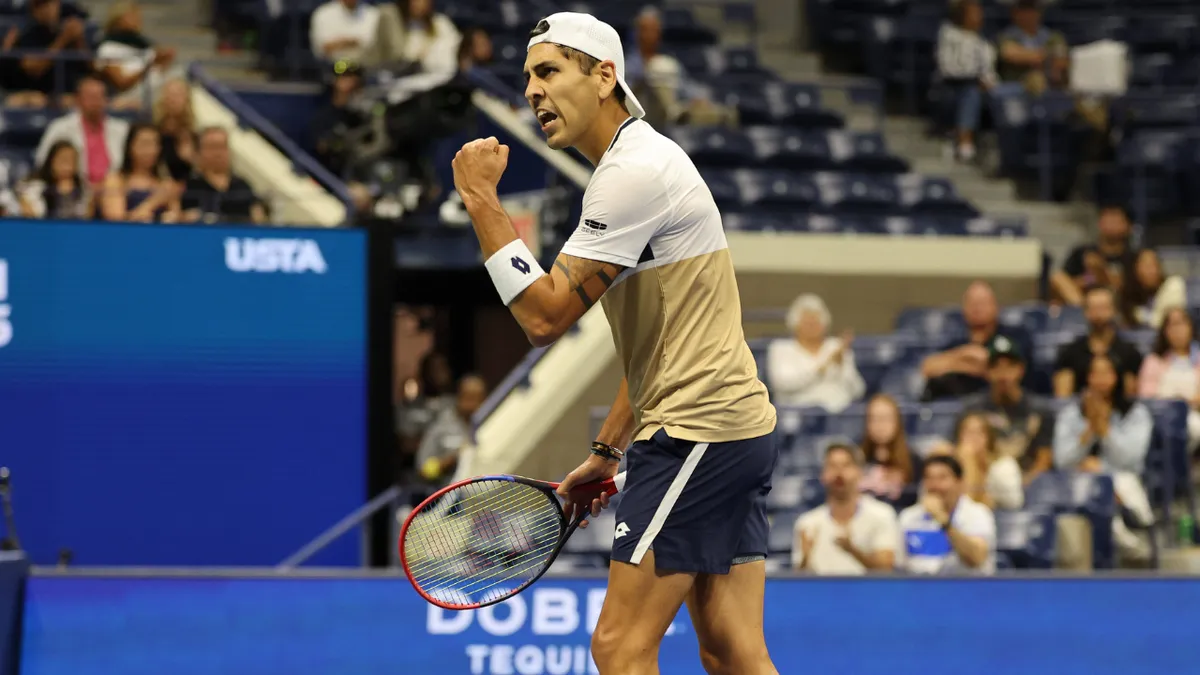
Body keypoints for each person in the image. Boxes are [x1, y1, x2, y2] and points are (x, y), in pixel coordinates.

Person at [450, 12, 778, 674]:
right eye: (527, 78)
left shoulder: (634, 172)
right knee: (731, 651)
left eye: (549, 71)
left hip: (696, 431)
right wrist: (607, 449)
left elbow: (543, 318)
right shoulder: (637, 164)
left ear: (604, 77)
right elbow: (660, 342)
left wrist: (481, 198)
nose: (532, 90)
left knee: (620, 647)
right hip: (732, 429)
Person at [1053, 353, 1155, 562]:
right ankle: (1126, 541)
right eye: (1095, 373)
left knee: (1109, 482)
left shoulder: (1136, 414)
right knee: (1092, 483)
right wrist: (1090, 431)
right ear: (1086, 378)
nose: (1100, 380)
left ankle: (1127, 534)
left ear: (1117, 377)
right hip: (1076, 485)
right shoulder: (1070, 414)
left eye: (1107, 373)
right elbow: (1061, 460)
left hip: (1123, 481)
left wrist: (1105, 431)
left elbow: (1131, 460)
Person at [960, 335, 1055, 484]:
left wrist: (1023, 485)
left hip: (1028, 483)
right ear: (987, 372)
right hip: (984, 483)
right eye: (996, 367)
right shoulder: (972, 410)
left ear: (1020, 370)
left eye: (1009, 366)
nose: (1003, 374)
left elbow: (1044, 459)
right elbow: (962, 453)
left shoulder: (1040, 410)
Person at [792, 443, 898, 575]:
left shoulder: (882, 515)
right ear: (823, 475)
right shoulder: (807, 523)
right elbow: (799, 580)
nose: (839, 473)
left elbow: (886, 571)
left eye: (846, 465)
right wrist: (805, 558)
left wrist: (852, 550)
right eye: (832, 466)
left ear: (860, 472)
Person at [921, 280, 1031, 400]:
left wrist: (959, 364)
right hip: (963, 403)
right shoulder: (957, 341)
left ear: (996, 307)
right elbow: (929, 368)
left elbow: (1013, 367)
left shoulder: (1015, 335)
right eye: (972, 304)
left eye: (982, 303)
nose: (977, 309)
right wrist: (964, 356)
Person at [895, 455, 997, 575]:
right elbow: (898, 565)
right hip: (917, 585)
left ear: (960, 483)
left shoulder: (977, 514)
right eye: (929, 478)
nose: (935, 485)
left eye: (942, 478)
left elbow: (976, 558)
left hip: (964, 585)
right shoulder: (908, 516)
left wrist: (944, 522)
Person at [766, 293, 864, 411]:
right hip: (799, 413)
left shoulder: (836, 346)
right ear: (794, 325)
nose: (812, 326)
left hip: (839, 413)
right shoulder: (781, 348)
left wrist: (842, 367)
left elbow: (858, 390)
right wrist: (820, 370)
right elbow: (781, 384)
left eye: (816, 321)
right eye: (807, 322)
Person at [35, 75, 131, 191]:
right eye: (91, 97)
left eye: (100, 97)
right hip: (76, 189)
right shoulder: (60, 128)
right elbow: (43, 161)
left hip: (114, 188)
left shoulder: (122, 129)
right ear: (78, 100)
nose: (96, 102)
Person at [1053, 286, 1144, 398]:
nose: (1098, 314)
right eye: (1093, 308)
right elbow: (1062, 398)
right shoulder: (1070, 353)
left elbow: (1131, 398)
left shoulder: (1129, 354)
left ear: (1114, 310)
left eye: (1103, 308)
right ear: (1085, 312)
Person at [935, 0, 996, 161]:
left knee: (990, 94)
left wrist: (989, 82)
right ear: (962, 16)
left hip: (977, 90)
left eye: (980, 14)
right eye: (974, 13)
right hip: (949, 88)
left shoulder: (984, 43)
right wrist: (977, 79)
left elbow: (989, 72)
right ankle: (964, 143)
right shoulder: (948, 35)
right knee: (970, 92)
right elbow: (948, 68)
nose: (979, 17)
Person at [0, 0, 90, 108]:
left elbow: (88, 68)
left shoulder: (65, 33)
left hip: (66, 94)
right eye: (44, 6)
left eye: (53, 4)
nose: (50, 9)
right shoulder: (26, 35)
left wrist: (79, 40)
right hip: (33, 93)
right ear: (34, 11)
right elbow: (34, 69)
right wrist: (63, 40)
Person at [94, 1, 178, 110]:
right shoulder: (108, 48)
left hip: (156, 90)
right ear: (118, 19)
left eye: (138, 15)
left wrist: (164, 59)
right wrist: (149, 65)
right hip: (130, 97)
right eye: (132, 15)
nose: (138, 19)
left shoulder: (142, 44)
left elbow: (160, 69)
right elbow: (122, 83)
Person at [1138, 307, 1200, 451]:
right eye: (1172, 325)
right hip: (1162, 416)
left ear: (1191, 327)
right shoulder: (1153, 361)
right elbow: (1146, 395)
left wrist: (1189, 401)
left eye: (1182, 323)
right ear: (1164, 331)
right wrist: (1173, 403)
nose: (1178, 330)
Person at [935, 412, 1024, 510]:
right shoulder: (951, 464)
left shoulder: (1004, 465)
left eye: (979, 432)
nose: (973, 438)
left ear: (989, 438)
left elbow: (1015, 502)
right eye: (968, 432)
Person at [1052, 205, 1137, 306]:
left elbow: (1126, 286)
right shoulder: (1082, 252)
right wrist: (1090, 279)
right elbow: (1064, 282)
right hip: (1081, 299)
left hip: (1118, 305)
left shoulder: (1134, 257)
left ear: (1128, 226)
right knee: (1057, 277)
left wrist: (1101, 270)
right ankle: (1085, 309)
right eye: (1107, 221)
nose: (1111, 225)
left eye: (1116, 221)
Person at [180, 127, 267, 224]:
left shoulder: (243, 187)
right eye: (212, 147)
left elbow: (258, 219)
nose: (218, 153)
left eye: (222, 147)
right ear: (200, 151)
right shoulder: (187, 187)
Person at [414, 374, 487, 487]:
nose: (473, 405)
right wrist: (451, 460)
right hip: (447, 491)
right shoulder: (441, 425)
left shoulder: (491, 424)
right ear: (459, 397)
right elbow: (423, 470)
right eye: (469, 398)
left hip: (483, 490)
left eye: (478, 399)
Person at [100, 122, 180, 222]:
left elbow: (175, 218)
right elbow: (116, 221)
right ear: (130, 146)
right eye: (145, 144)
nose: (151, 150)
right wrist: (153, 202)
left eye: (155, 144)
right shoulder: (116, 180)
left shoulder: (165, 183)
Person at [366, 0, 461, 76]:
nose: (420, 4)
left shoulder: (440, 23)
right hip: (399, 75)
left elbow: (454, 45)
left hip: (438, 74)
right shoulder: (394, 21)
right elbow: (399, 55)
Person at [996, 0, 1068, 95]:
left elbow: (1061, 60)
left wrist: (1027, 53)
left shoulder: (1053, 37)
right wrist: (1045, 55)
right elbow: (1009, 54)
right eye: (1023, 10)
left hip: (1048, 84)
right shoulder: (1006, 36)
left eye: (1032, 10)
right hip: (1015, 84)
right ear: (1015, 13)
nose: (1028, 15)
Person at [859, 393, 917, 507]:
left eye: (885, 419)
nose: (880, 425)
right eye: (874, 419)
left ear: (897, 422)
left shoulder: (913, 460)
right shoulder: (858, 458)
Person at [17, 140, 93, 219]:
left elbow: (87, 218)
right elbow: (29, 213)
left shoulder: (85, 192)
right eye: (63, 158)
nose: (67, 163)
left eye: (71, 159)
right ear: (52, 161)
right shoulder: (34, 188)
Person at [1120, 248, 1185, 330]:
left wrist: (1140, 315)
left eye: (1153, 265)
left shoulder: (1173, 285)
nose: (1150, 270)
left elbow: (1166, 322)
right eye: (1145, 266)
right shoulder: (1129, 291)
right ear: (1135, 269)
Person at [310, 0, 382, 64]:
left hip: (367, 66)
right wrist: (351, 42)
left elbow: (375, 46)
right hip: (333, 67)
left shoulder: (374, 13)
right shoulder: (322, 13)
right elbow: (323, 48)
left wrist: (343, 43)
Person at [153, 79, 196, 182]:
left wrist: (192, 159)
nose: (173, 100)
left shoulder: (194, 137)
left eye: (178, 95)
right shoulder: (153, 134)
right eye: (170, 95)